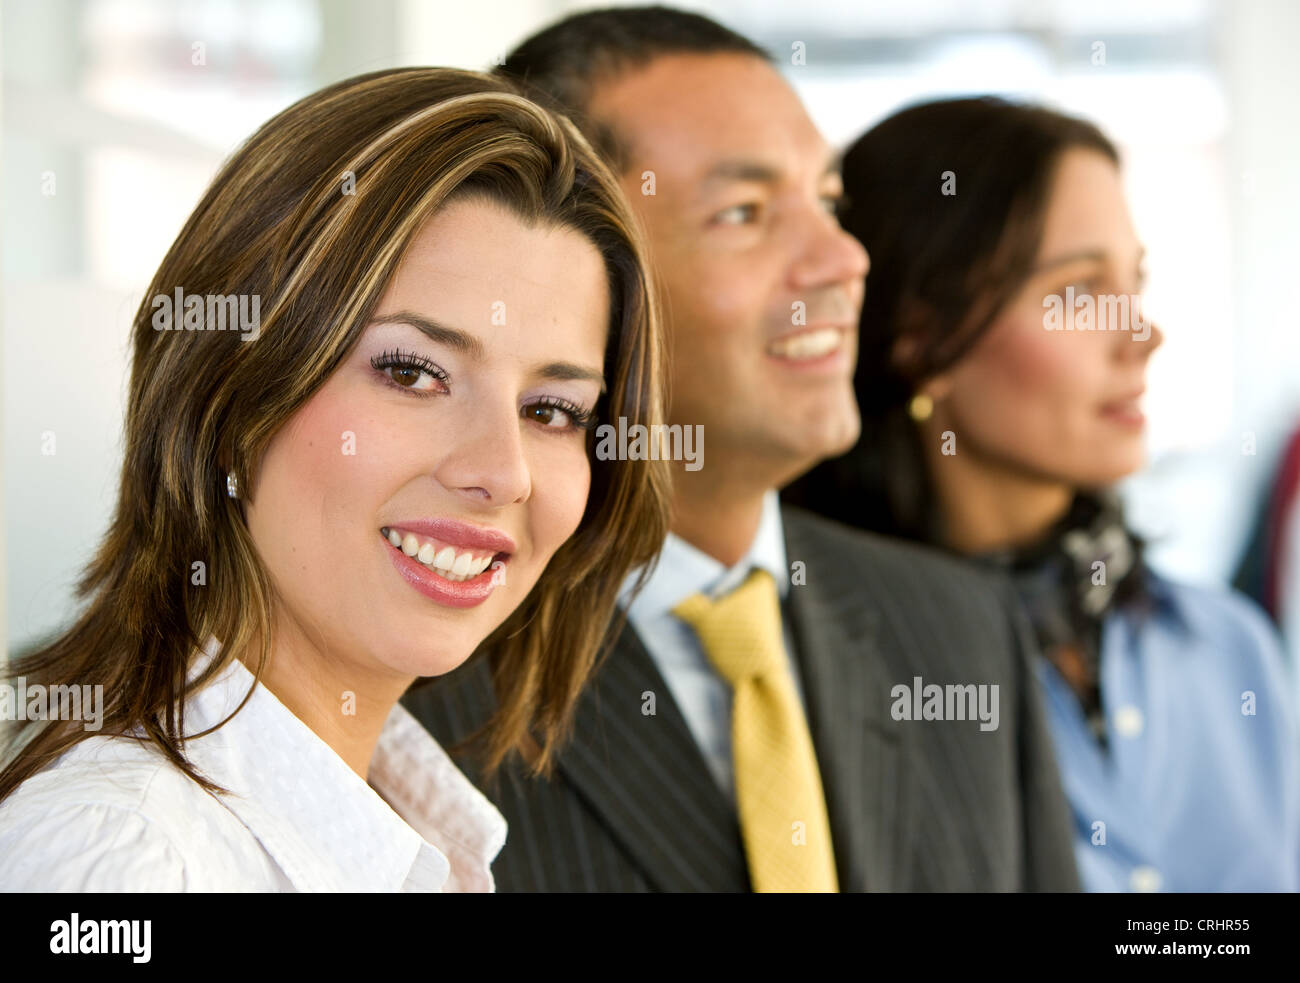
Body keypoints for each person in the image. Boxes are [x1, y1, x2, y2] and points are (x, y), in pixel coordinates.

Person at [406, 7, 1080, 891]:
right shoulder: (422, 676)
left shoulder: (960, 632)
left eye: (829, 202)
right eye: (745, 212)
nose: (843, 259)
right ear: (562, 269)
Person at [0, 67, 671, 892]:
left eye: (555, 410)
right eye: (412, 371)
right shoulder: (126, 857)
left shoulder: (408, 822)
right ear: (228, 400)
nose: (502, 472)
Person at [784, 96, 1300, 891]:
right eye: (1081, 290)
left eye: (1137, 280)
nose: (1143, 335)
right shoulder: (809, 672)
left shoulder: (1227, 647)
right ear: (922, 331)